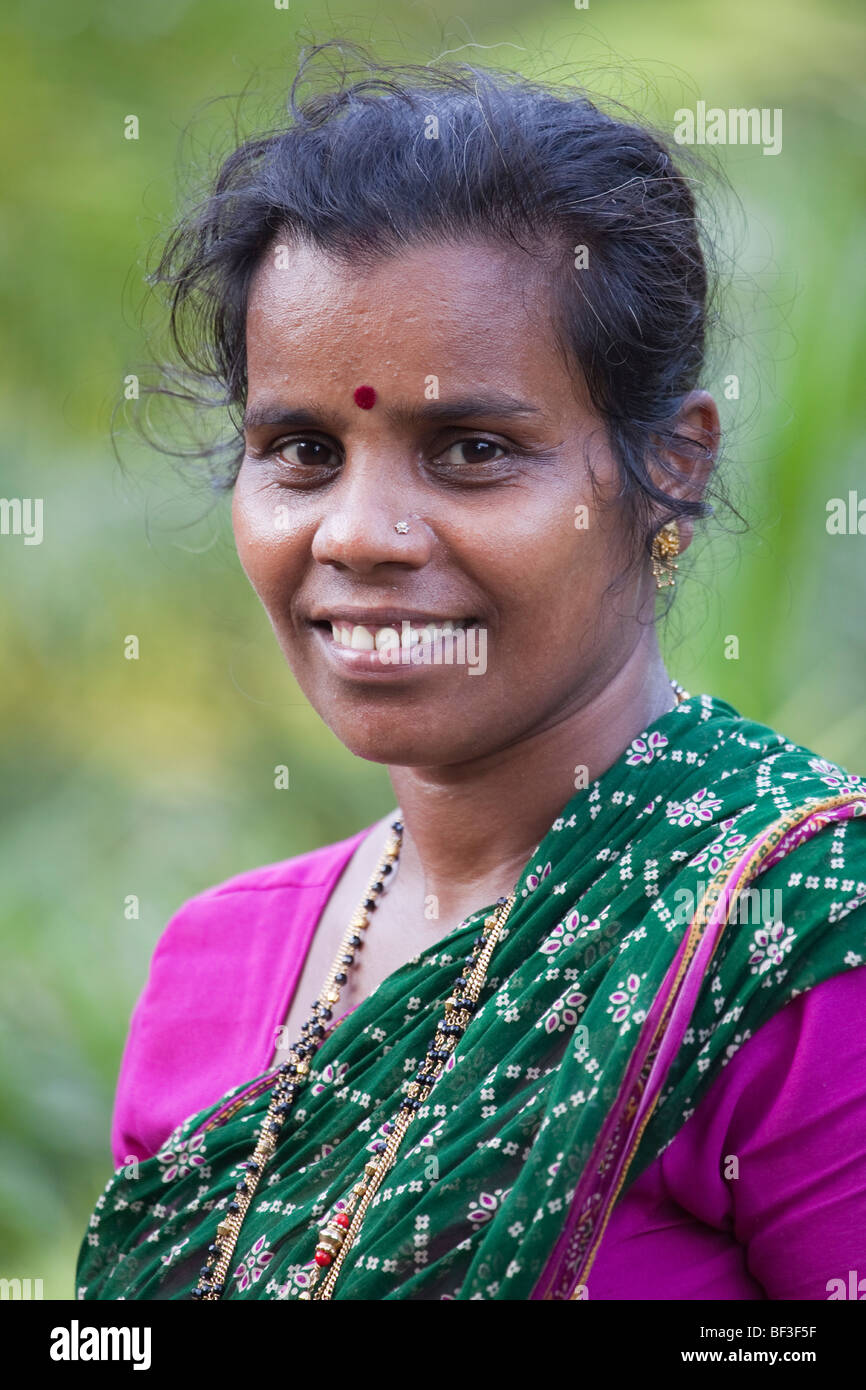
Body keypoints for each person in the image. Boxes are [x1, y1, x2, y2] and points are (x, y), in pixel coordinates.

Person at [77, 42, 866, 1301]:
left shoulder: (800, 942)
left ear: (673, 465)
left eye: (472, 449)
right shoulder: (210, 966)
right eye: (300, 449)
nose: (357, 534)